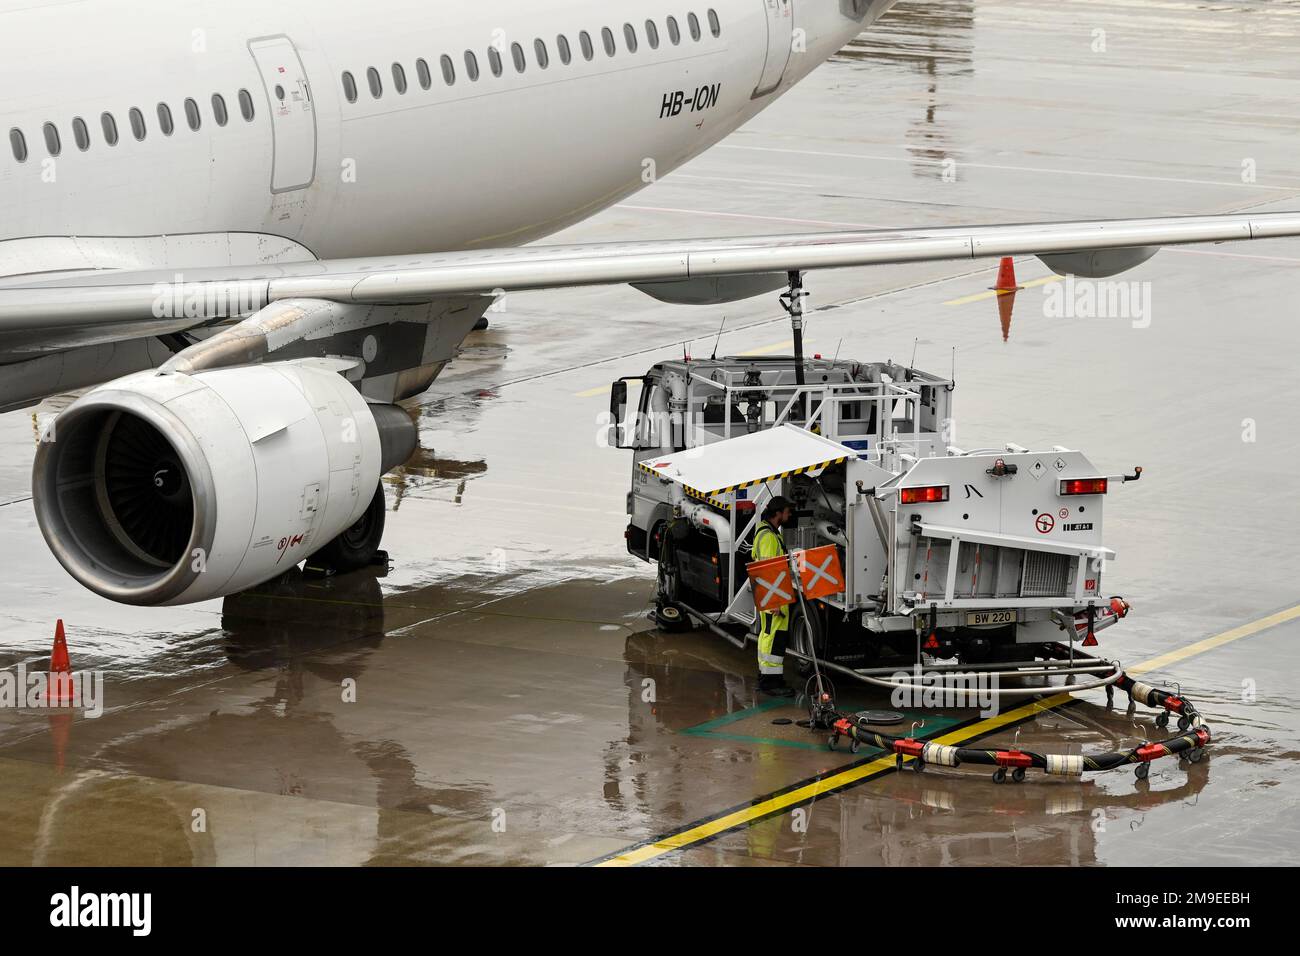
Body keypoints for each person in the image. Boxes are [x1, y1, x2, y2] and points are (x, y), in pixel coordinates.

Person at [752, 495, 796, 697]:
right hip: (774, 597)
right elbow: (769, 569)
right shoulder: (769, 537)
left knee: (767, 635)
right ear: (778, 513)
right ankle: (770, 682)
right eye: (787, 511)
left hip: (769, 594)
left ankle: (766, 677)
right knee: (773, 638)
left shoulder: (764, 530)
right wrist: (775, 602)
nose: (789, 515)